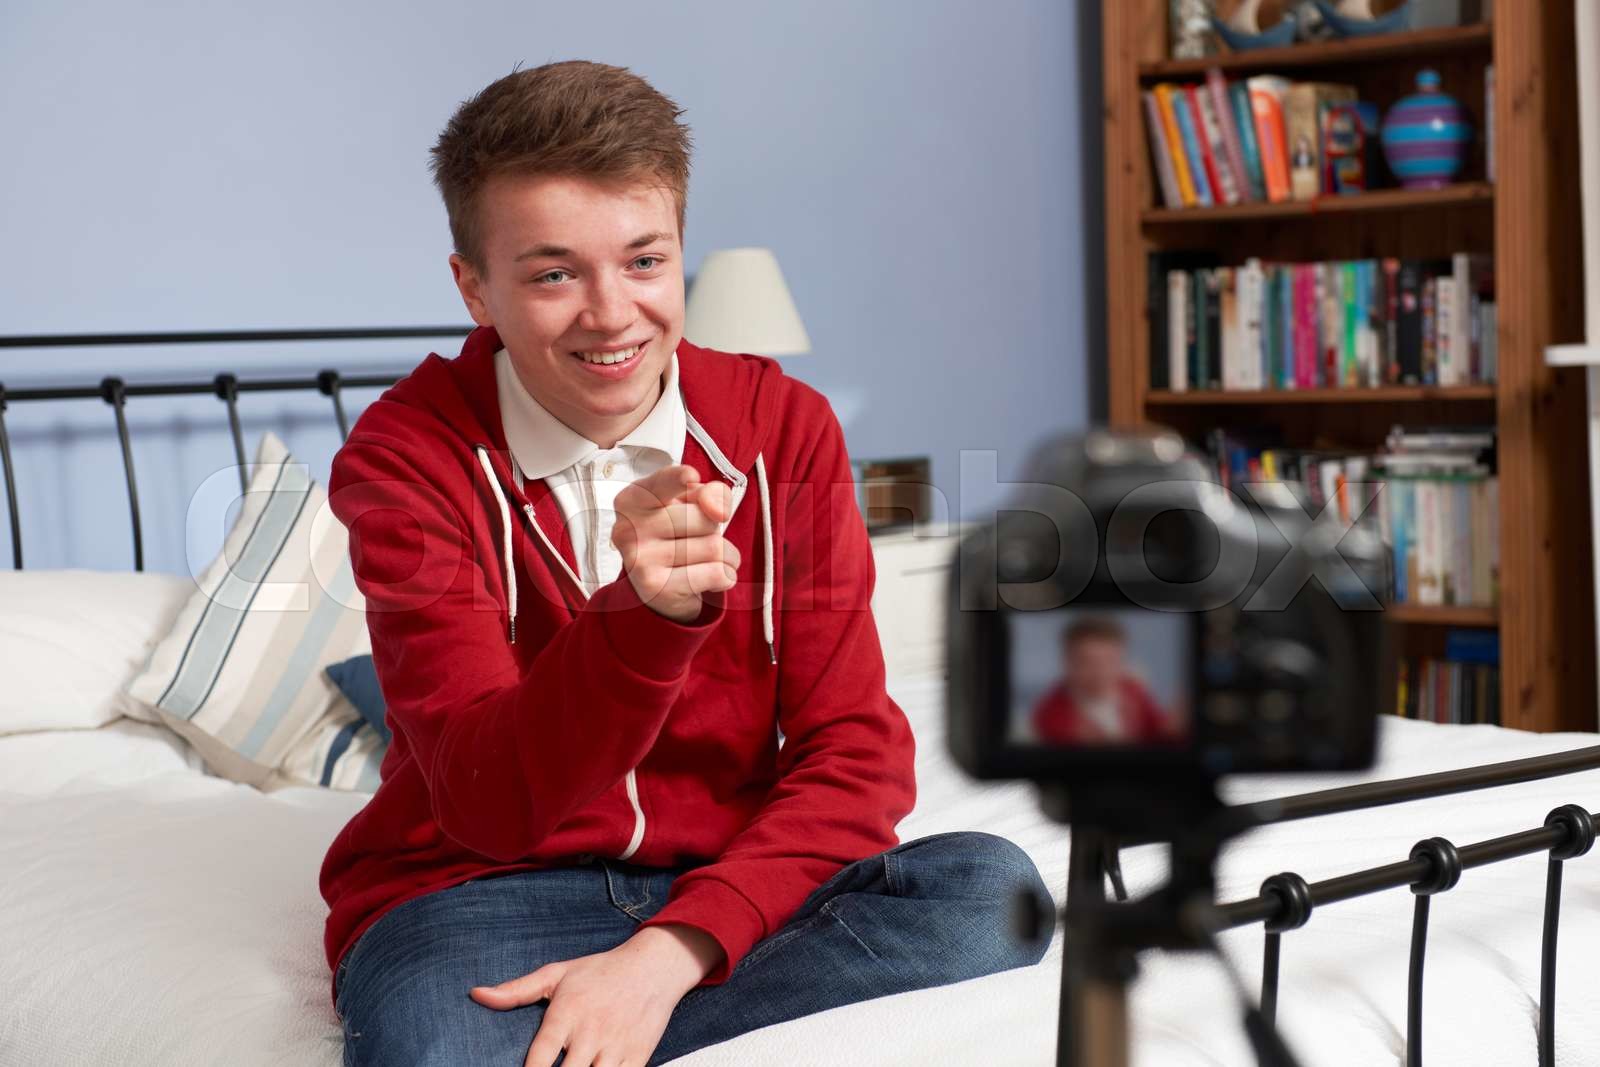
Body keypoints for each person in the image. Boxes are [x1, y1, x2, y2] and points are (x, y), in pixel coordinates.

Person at [321, 60, 1052, 1067]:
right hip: (482, 891)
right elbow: (489, 802)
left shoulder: (782, 427)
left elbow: (854, 751)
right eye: (550, 273)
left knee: (990, 893)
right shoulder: (407, 457)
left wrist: (663, 956)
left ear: (678, 255)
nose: (611, 313)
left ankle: (602, 1023)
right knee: (423, 1038)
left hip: (725, 876)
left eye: (643, 261)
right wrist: (642, 622)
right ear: (473, 287)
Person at [1029, 616, 1176, 746]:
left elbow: (1160, 733)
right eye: (1087, 663)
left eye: (1110, 661)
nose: (1101, 673)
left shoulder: (1133, 690)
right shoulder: (1050, 713)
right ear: (1067, 664)